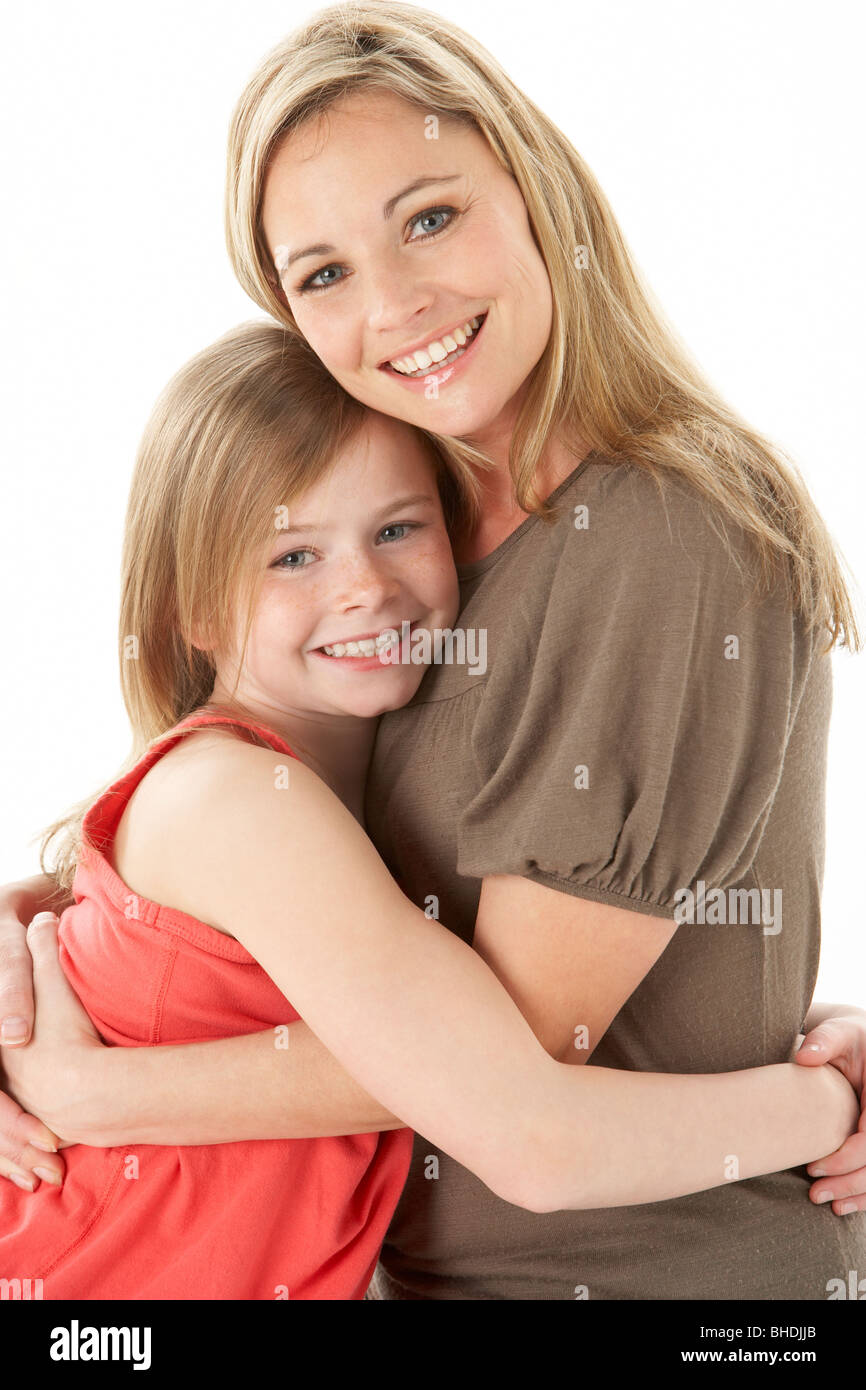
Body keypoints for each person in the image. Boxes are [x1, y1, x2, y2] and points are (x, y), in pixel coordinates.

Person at [2, 3, 865, 1300]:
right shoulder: (443, 549)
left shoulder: (648, 533)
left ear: (532, 188)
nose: (395, 302)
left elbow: (506, 1070)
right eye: (323, 272)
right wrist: (29, 947)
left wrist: (86, 1089)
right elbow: (330, 924)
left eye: (428, 216)